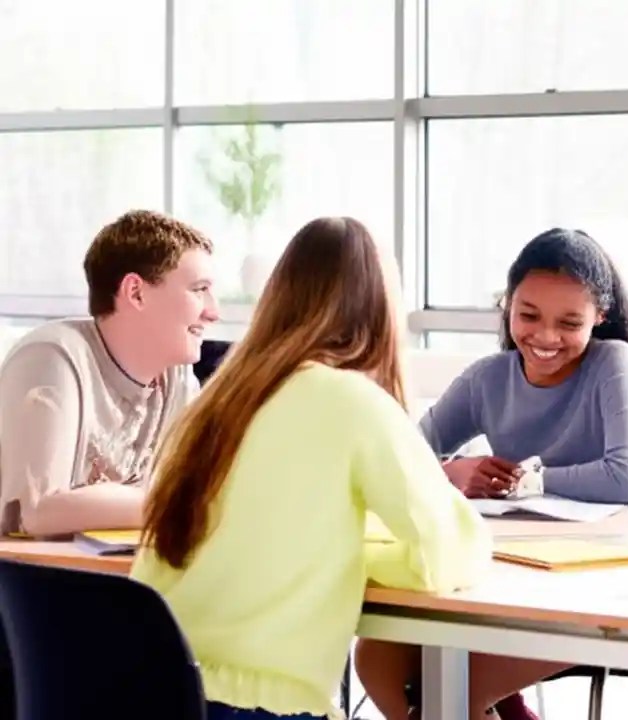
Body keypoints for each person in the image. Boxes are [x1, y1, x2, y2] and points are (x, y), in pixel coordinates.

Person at [130, 217, 495, 720]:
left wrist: (341, 553)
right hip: (261, 709)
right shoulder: (352, 402)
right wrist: (362, 557)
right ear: (382, 310)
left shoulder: (217, 400)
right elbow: (448, 554)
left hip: (151, 690)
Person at [354, 227, 628, 719]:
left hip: (612, 577)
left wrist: (524, 479)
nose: (546, 337)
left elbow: (624, 478)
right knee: (378, 657)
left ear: (600, 317)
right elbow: (402, 452)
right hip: (516, 569)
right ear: (507, 305)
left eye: (570, 322)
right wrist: (453, 471)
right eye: (529, 315)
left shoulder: (614, 365)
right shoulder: (487, 378)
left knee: (448, 687)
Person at [0, 209, 218, 538]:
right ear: (136, 293)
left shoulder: (177, 378)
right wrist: (170, 504)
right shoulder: (51, 358)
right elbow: (31, 513)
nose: (213, 311)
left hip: (112, 574)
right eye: (199, 289)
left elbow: (202, 486)